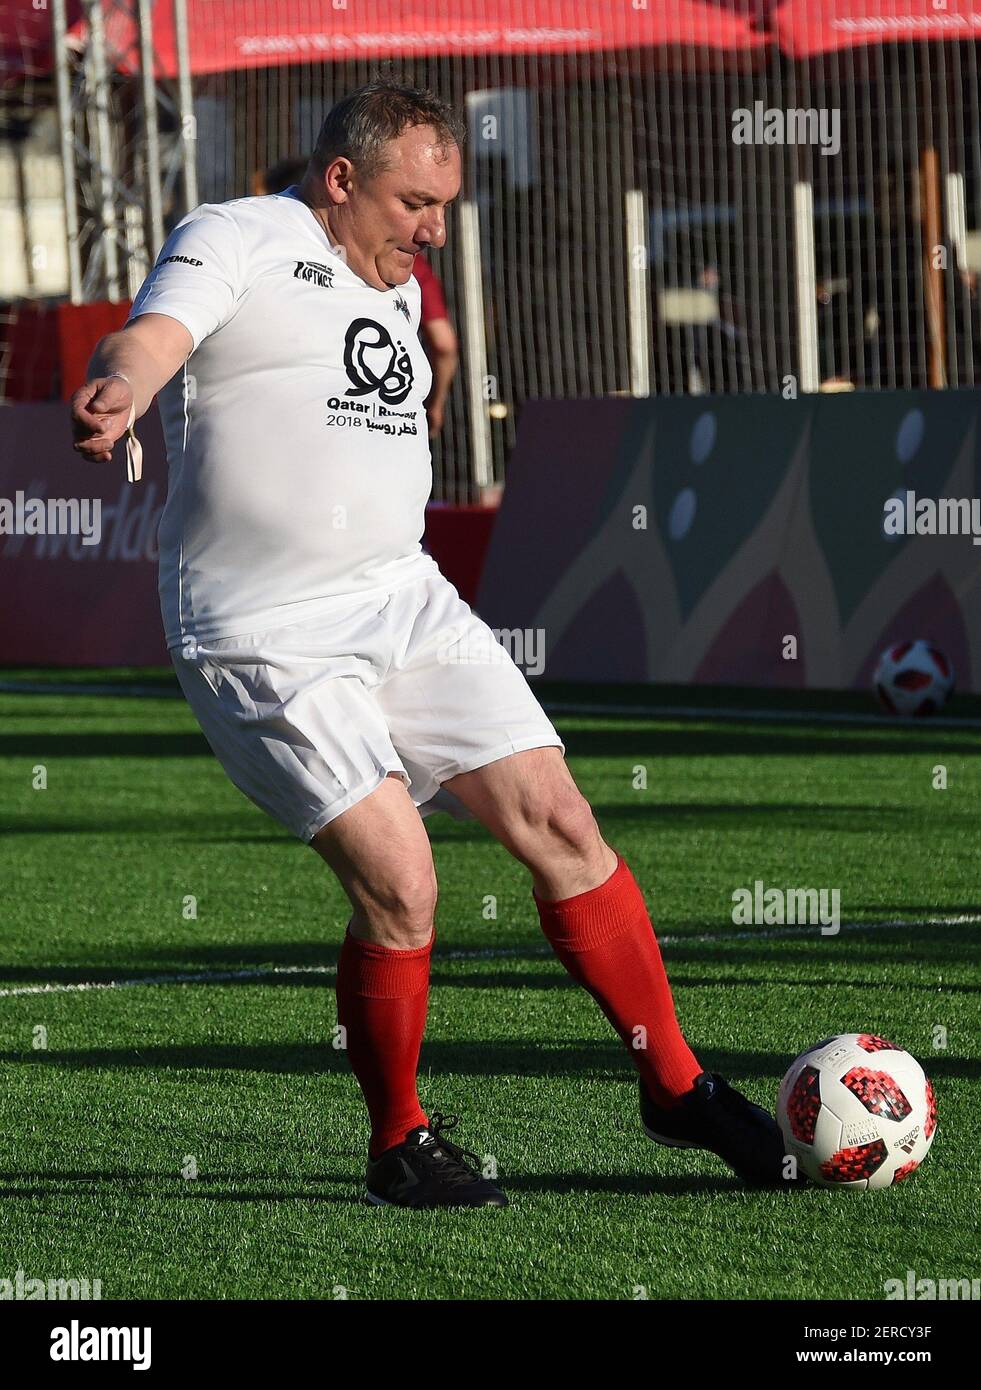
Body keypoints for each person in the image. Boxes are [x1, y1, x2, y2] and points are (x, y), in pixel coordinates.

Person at [69, 79, 799, 1208]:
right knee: (405, 884)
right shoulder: (236, 234)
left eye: (446, 205)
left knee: (561, 819)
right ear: (342, 178)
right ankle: (399, 1140)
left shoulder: (401, 292)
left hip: (402, 600)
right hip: (261, 632)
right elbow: (158, 329)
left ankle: (677, 1083)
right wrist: (120, 384)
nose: (434, 229)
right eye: (417, 202)